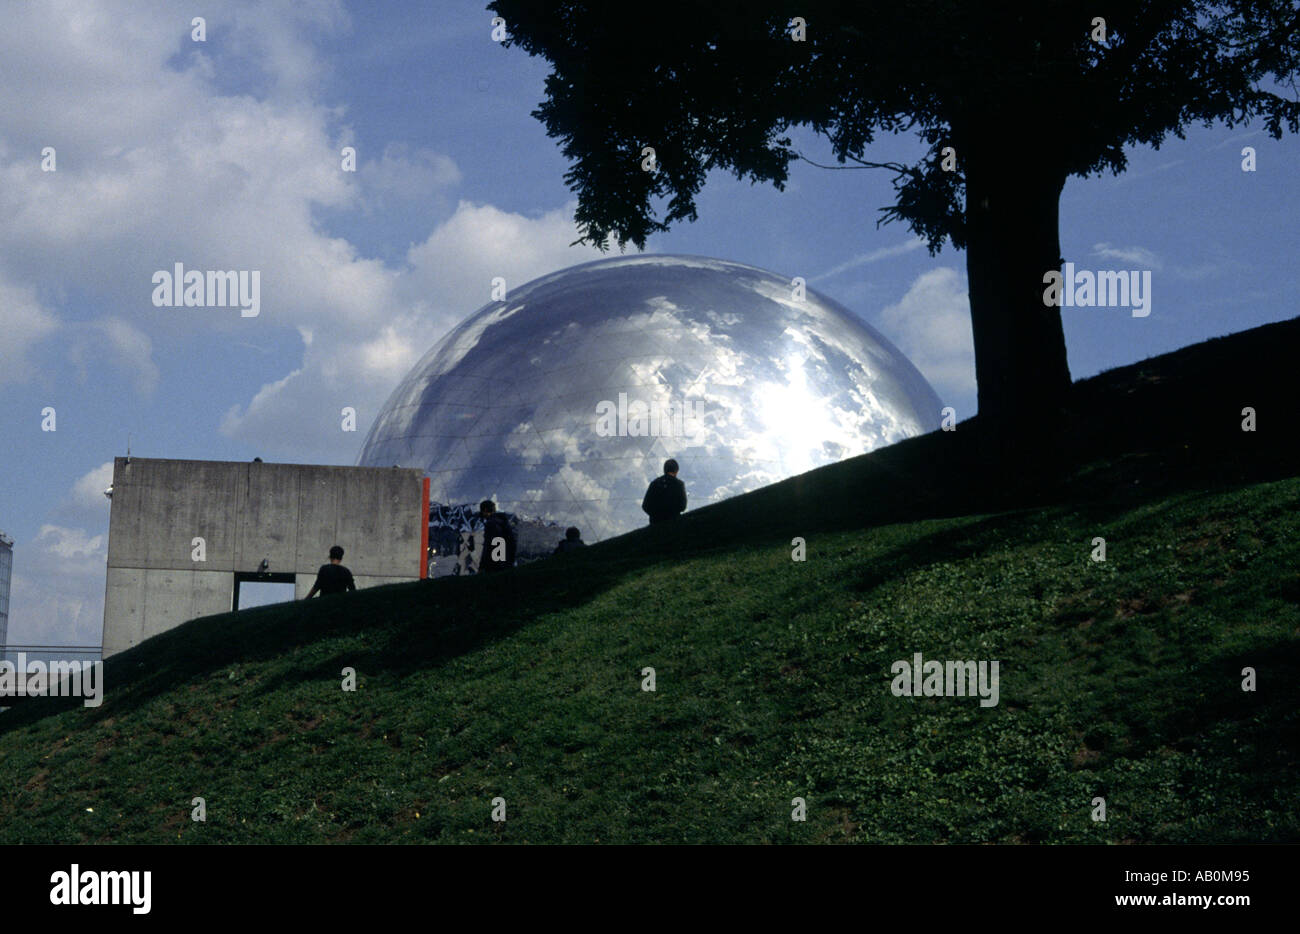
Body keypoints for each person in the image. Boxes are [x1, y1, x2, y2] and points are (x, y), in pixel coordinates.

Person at [641, 458, 687, 525]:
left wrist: (656, 515)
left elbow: (645, 506)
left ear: (664, 470)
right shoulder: (679, 484)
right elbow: (683, 506)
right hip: (674, 525)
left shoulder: (654, 483)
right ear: (676, 471)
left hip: (656, 525)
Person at [478, 500, 517, 573]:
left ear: (485, 510)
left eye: (482, 511)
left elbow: (488, 546)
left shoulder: (490, 524)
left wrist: (482, 565)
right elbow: (512, 543)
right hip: (506, 564)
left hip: (494, 565)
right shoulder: (504, 523)